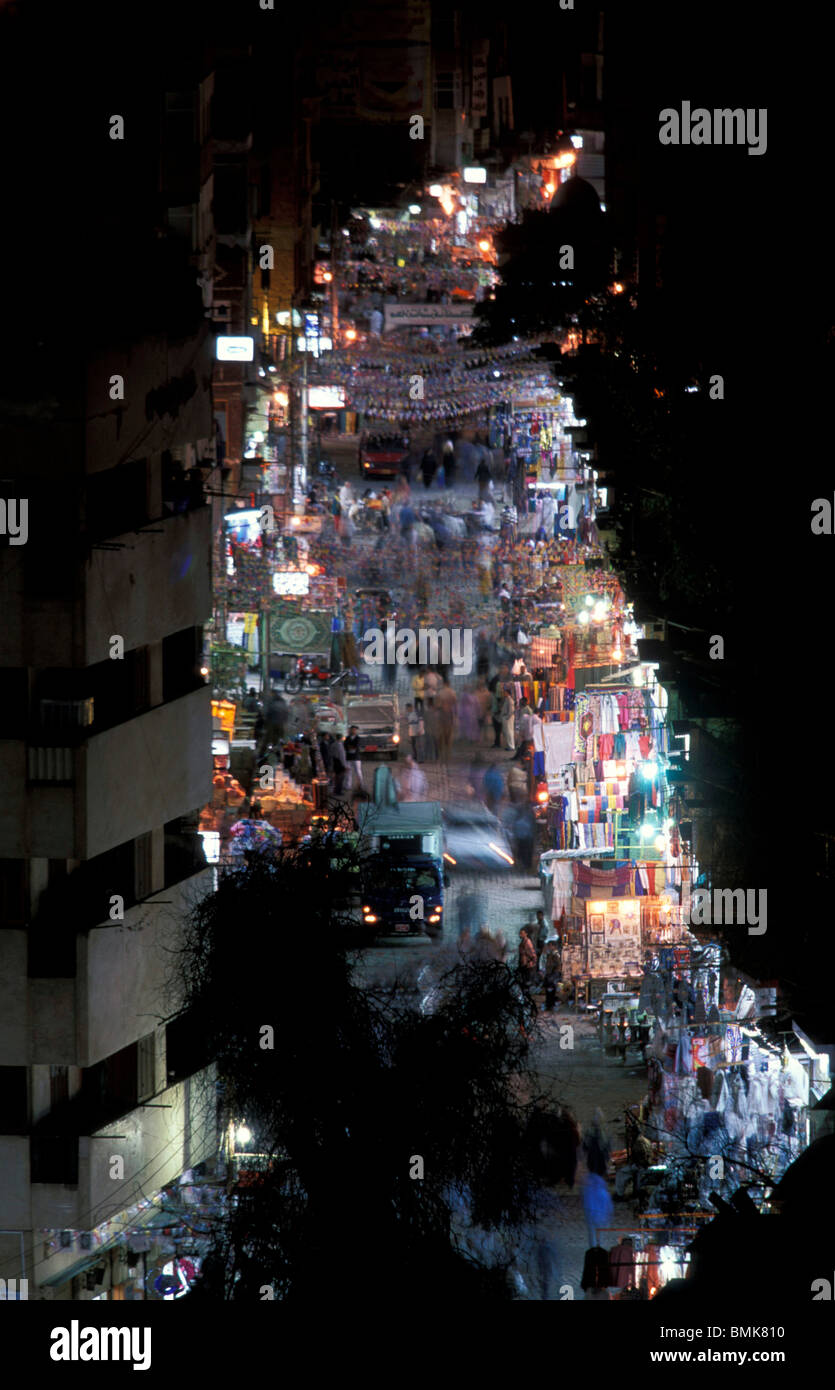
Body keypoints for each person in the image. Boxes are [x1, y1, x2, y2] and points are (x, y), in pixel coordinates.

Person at [583, 1108, 612, 1178]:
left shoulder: (589, 1132)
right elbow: (607, 1147)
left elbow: (585, 1146)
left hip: (593, 1161)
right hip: (599, 1160)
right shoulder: (604, 1132)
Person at [344, 725, 364, 792]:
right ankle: (348, 785)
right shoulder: (347, 738)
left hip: (356, 758)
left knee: (358, 772)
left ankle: (360, 785)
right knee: (348, 772)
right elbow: (345, 746)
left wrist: (350, 746)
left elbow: (356, 746)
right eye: (352, 729)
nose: (353, 731)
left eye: (354, 730)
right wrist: (351, 746)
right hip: (348, 757)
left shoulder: (358, 738)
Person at [499, 685, 515, 753]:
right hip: (506, 717)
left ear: (507, 692)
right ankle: (509, 745)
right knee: (506, 732)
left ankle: (511, 746)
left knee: (509, 732)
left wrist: (507, 718)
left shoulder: (510, 700)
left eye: (504, 692)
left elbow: (511, 711)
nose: (503, 693)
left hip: (508, 718)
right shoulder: (507, 699)